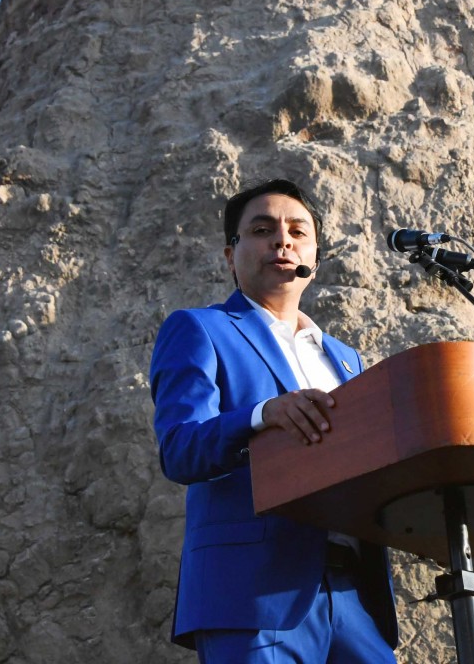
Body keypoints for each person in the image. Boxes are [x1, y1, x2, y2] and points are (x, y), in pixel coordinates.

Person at [150, 178, 398, 663]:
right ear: (230, 255)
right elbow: (179, 449)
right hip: (252, 592)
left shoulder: (346, 359)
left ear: (316, 256)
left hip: (352, 596)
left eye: (297, 231)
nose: (282, 240)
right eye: (262, 229)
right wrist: (263, 416)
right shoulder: (200, 328)